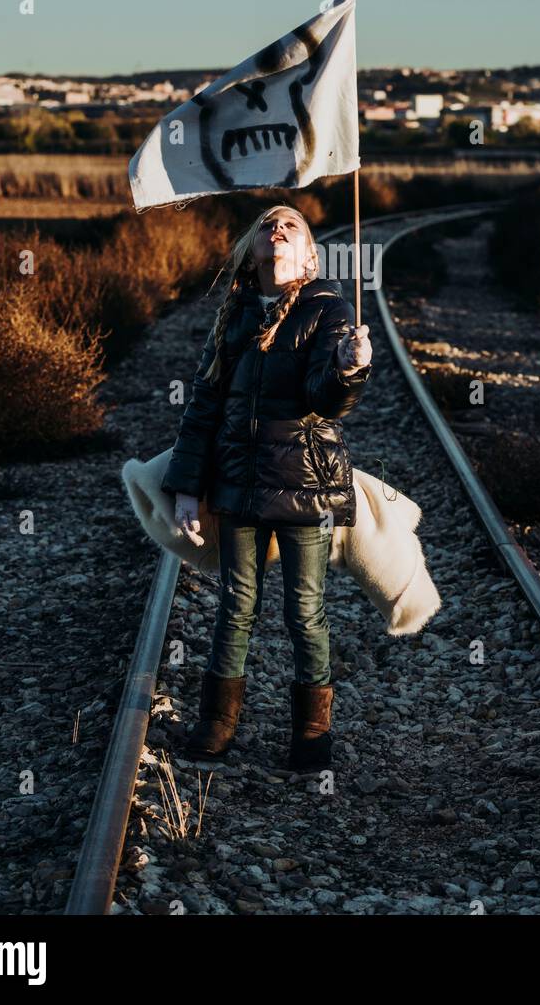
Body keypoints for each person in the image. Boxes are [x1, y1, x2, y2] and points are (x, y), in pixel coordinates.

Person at [160, 203, 372, 771]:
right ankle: (217, 725)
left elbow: (326, 401)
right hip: (239, 483)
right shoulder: (234, 315)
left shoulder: (328, 309)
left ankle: (311, 736)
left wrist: (349, 369)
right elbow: (204, 405)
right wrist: (186, 487)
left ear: (308, 254)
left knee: (304, 610)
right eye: (266, 226)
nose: (277, 230)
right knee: (235, 606)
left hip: (304, 483)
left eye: (291, 226)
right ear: (251, 251)